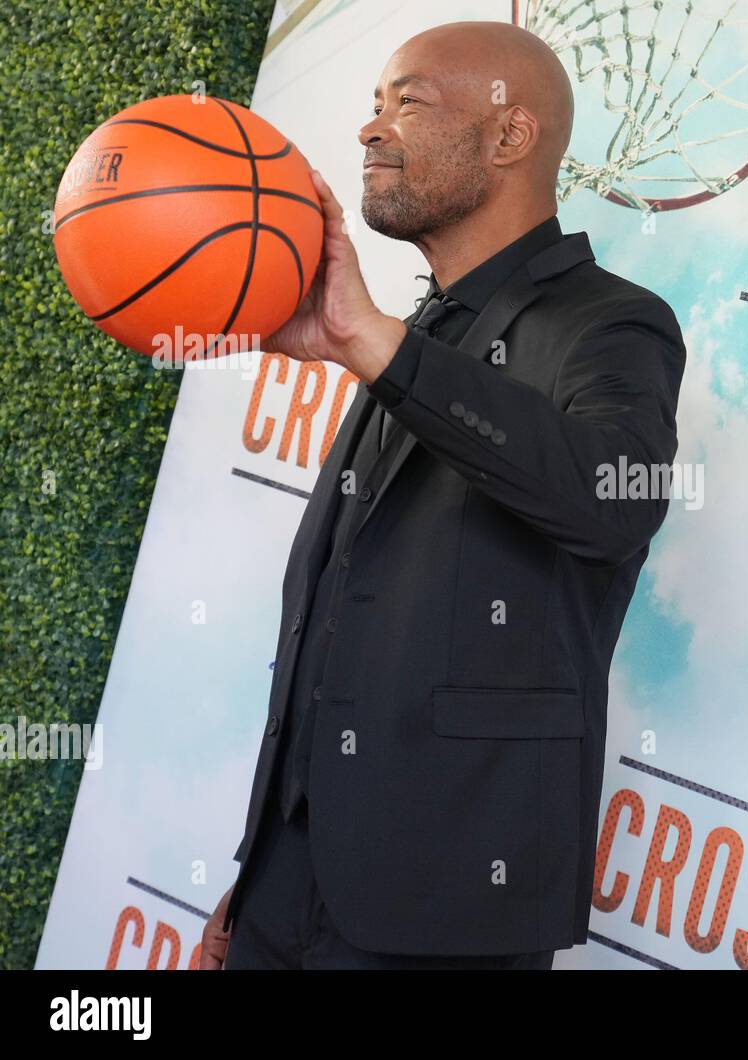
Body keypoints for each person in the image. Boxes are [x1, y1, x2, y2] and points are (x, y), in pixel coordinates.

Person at [199, 19, 686, 969]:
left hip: (447, 921)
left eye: (407, 102)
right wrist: (266, 872)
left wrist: (375, 346)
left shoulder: (615, 323)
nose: (372, 131)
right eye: (375, 105)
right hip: (288, 896)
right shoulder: (415, 332)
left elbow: (610, 500)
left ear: (510, 136)